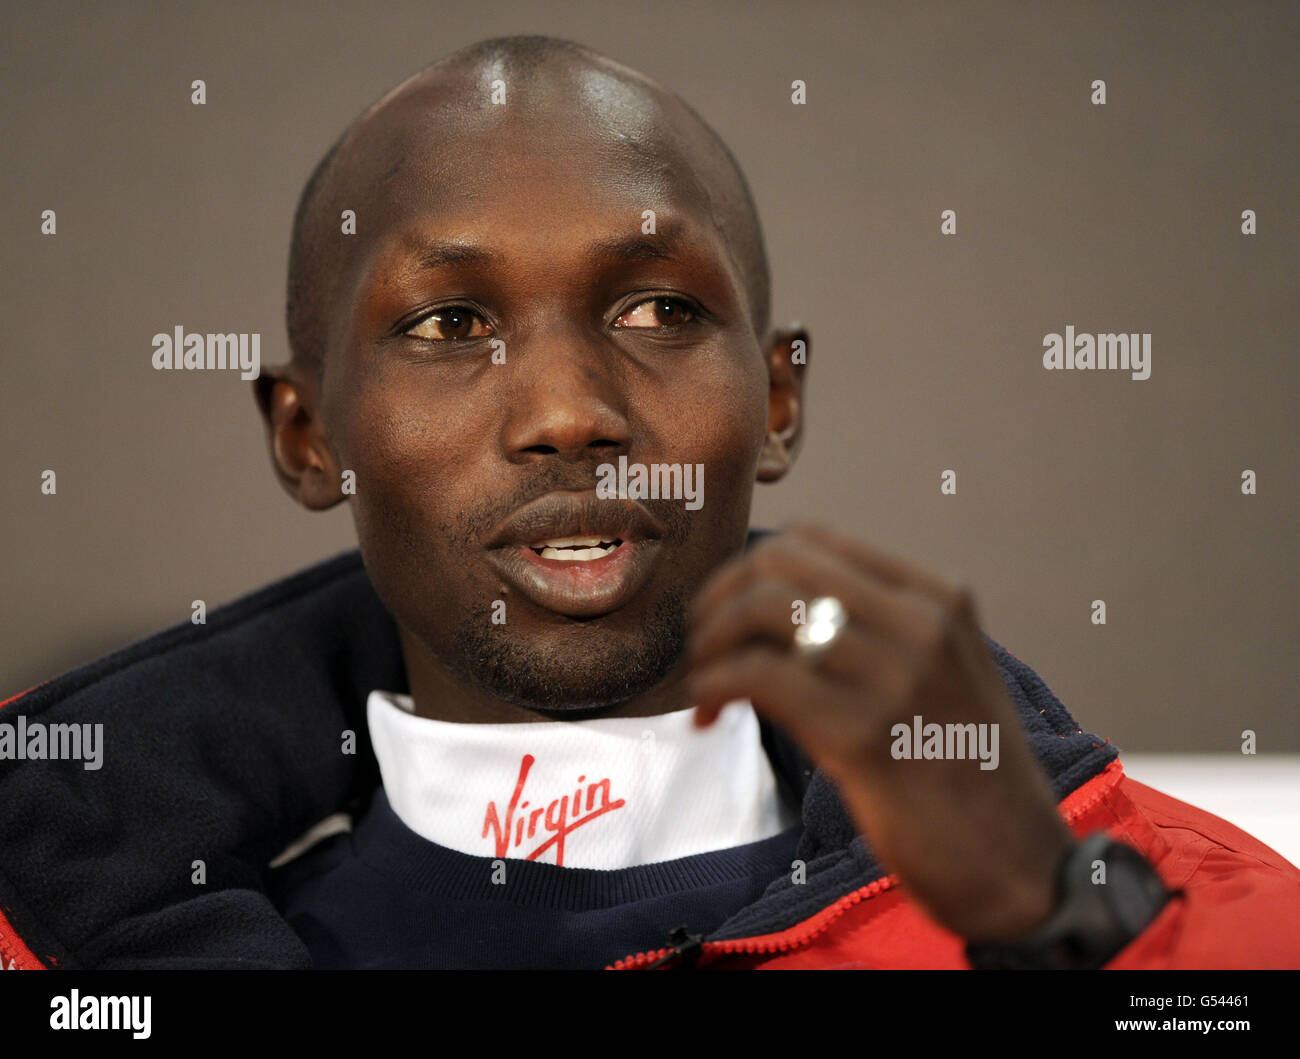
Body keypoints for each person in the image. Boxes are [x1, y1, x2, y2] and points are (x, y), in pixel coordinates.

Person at [2, 35, 1297, 971]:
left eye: (658, 308)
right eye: (453, 322)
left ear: (778, 399)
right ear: (308, 435)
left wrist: (1056, 931)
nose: (569, 410)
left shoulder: (1193, 917)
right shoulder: (54, 943)